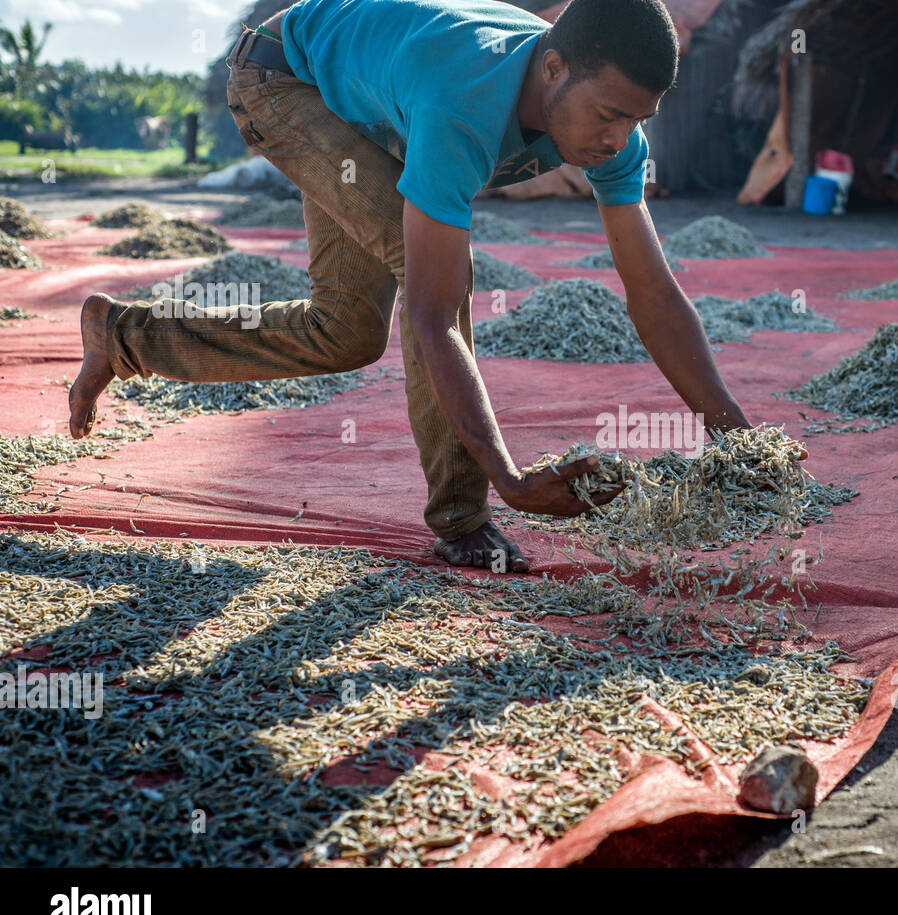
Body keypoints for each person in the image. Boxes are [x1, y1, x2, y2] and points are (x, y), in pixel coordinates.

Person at [69, 0, 761, 573]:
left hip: (368, 101)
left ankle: (120, 336)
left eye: (636, 120)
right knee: (425, 259)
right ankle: (462, 520)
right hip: (281, 78)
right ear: (552, 69)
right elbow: (436, 318)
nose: (619, 138)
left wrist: (739, 442)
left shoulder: (613, 137)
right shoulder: (464, 102)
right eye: (609, 114)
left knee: (345, 330)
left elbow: (654, 294)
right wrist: (511, 481)